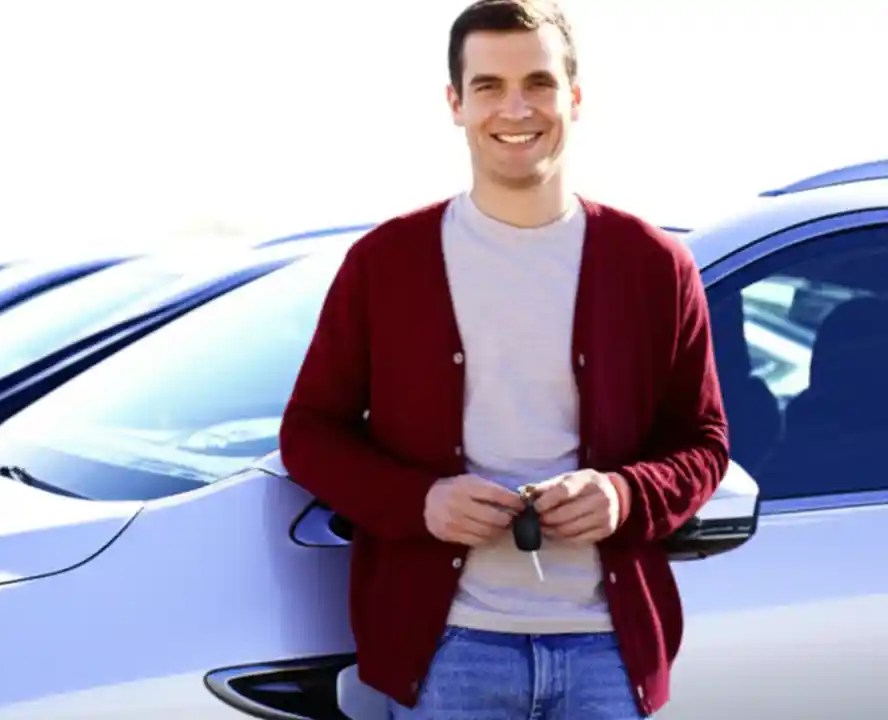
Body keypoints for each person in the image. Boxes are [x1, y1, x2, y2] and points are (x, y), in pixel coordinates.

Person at [277, 0, 729, 717]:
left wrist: (625, 496)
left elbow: (703, 445)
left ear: (574, 98)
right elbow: (308, 432)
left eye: (539, 83)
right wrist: (419, 503)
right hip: (447, 651)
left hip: (608, 655)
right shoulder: (385, 264)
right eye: (488, 85)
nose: (516, 107)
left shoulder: (654, 266)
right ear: (455, 104)